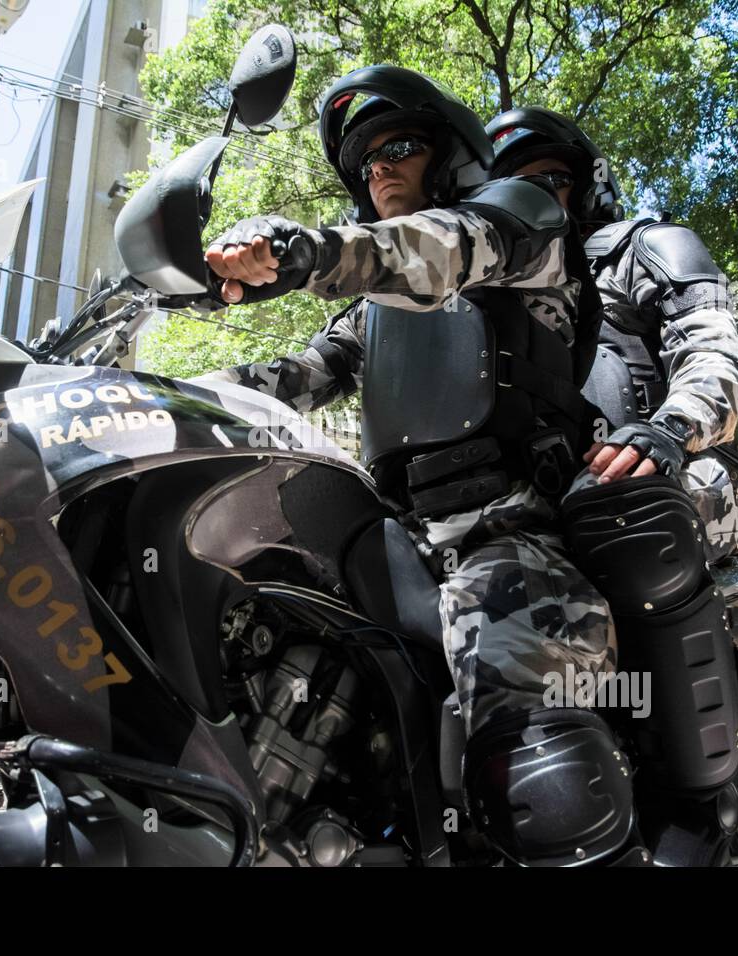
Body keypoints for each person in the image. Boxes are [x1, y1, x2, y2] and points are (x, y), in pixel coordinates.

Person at [199, 66, 639, 865]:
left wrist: (306, 250)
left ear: (453, 156)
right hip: (400, 550)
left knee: (534, 780)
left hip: (514, 539)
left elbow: (435, 253)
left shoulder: (523, 225)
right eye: (366, 163)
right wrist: (162, 400)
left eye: (398, 146)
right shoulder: (370, 312)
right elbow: (288, 381)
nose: (379, 170)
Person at [483, 107, 738, 564]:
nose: (533, 199)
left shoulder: (641, 249)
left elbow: (716, 357)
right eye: (516, 190)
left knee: (618, 514)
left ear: (590, 192)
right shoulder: (487, 293)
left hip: (655, 481)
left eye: (551, 180)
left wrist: (666, 433)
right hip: (529, 498)